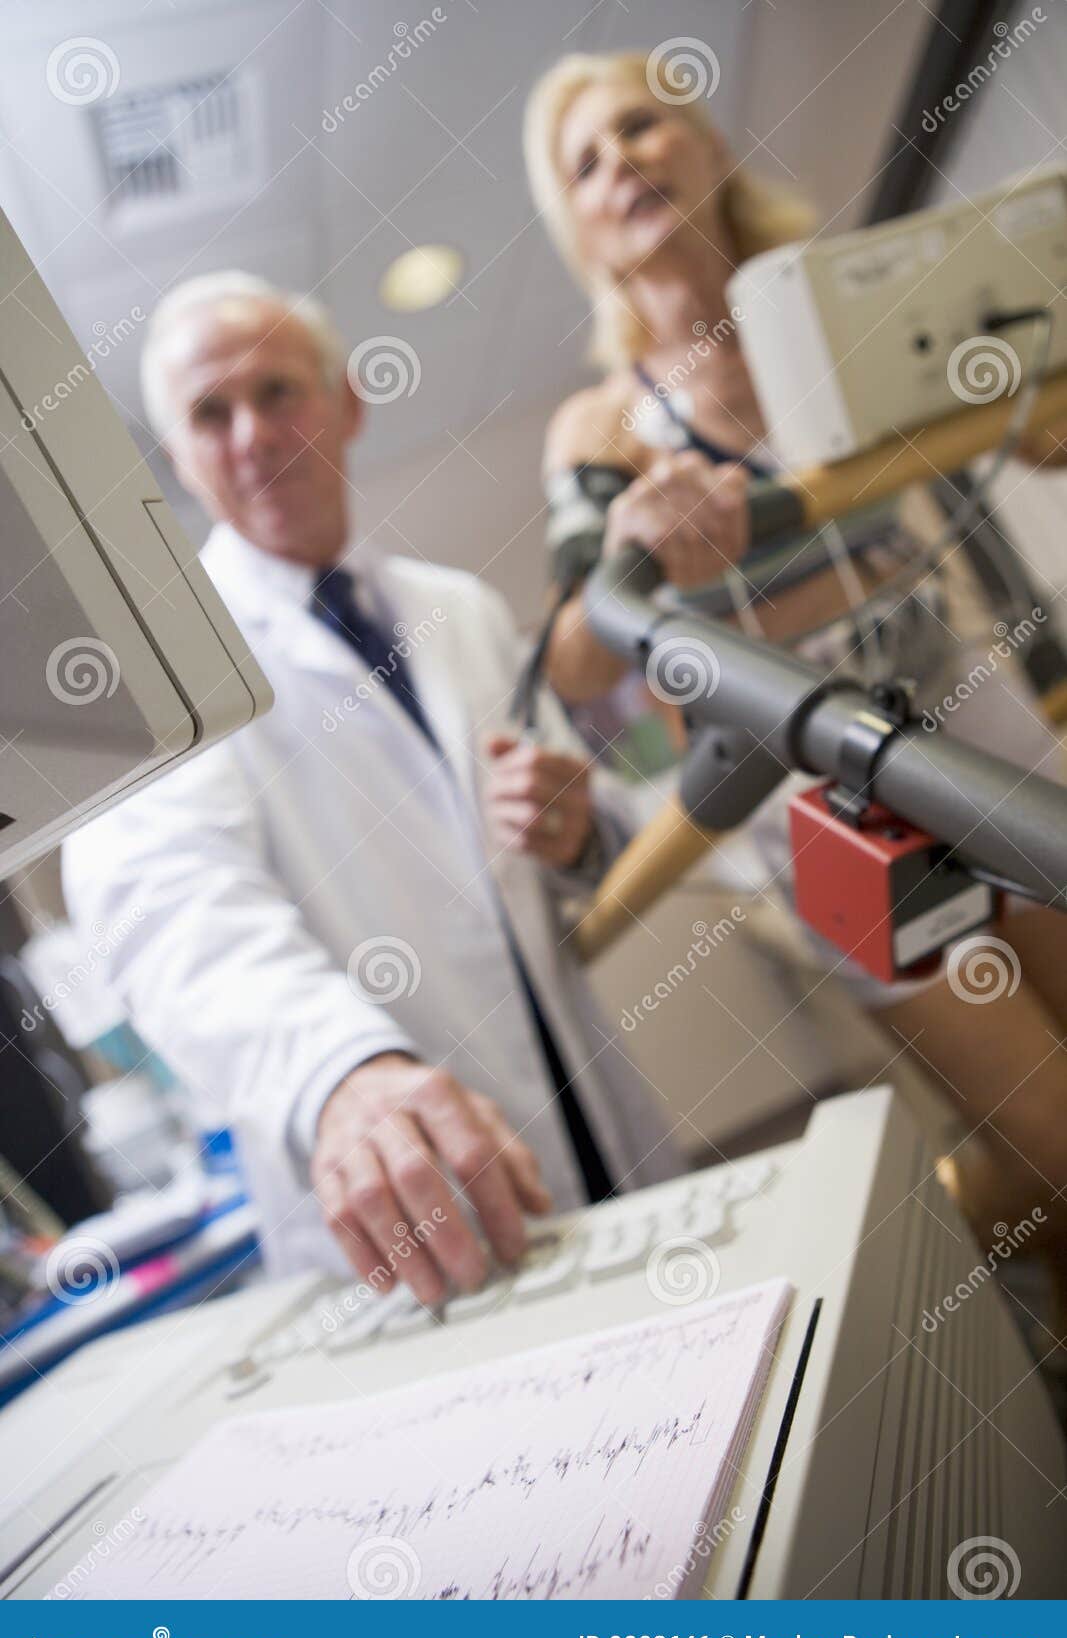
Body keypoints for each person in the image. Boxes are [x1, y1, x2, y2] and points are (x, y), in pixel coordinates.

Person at [523, 49, 1067, 1260]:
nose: (622, 164)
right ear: (583, 233)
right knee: (1046, 1130)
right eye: (585, 163)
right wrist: (628, 539)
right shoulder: (601, 425)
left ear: (710, 148)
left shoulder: (834, 321)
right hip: (811, 786)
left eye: (642, 128)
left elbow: (1025, 430)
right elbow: (570, 663)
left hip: (955, 707)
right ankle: (995, 1206)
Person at [61, 272, 683, 1301]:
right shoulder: (160, 665)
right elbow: (168, 904)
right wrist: (336, 1072)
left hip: (592, 1121)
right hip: (404, 1193)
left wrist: (576, 830)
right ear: (177, 455)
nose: (252, 434)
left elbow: (576, 846)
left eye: (277, 391)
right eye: (209, 414)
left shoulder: (460, 609)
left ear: (346, 403)